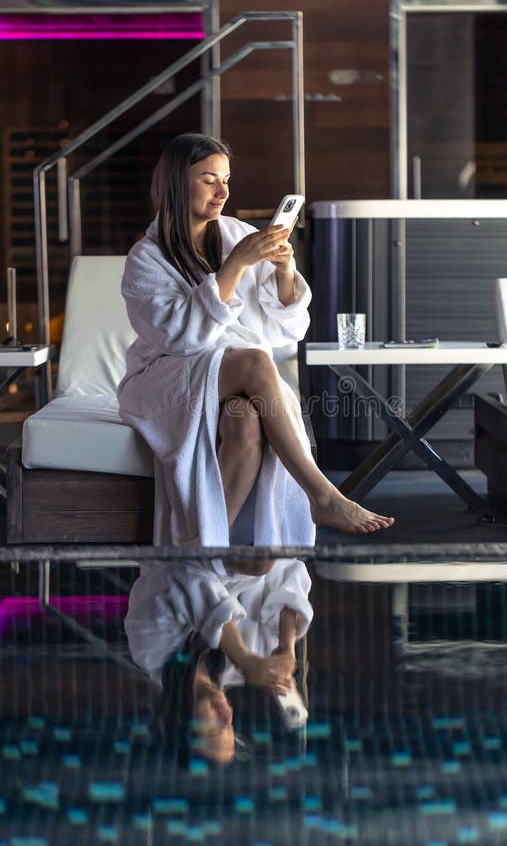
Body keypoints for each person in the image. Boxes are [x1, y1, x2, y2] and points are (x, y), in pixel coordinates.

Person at [117, 132, 394, 547]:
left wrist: (283, 270)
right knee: (254, 362)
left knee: (245, 420)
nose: (223, 191)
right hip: (164, 381)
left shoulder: (234, 233)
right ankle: (322, 494)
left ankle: (204, 545)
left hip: (225, 378)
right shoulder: (147, 257)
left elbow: (284, 325)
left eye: (226, 179)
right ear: (177, 182)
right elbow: (180, 338)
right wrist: (237, 264)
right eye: (209, 179)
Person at [125, 557, 313, 764]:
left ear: (181, 723)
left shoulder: (149, 648)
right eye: (230, 726)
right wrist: (287, 646)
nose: (226, 714)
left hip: (190, 536)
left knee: (261, 563)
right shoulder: (240, 667)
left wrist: (242, 656)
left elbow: (183, 578)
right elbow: (290, 570)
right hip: (260, 539)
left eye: (215, 727)